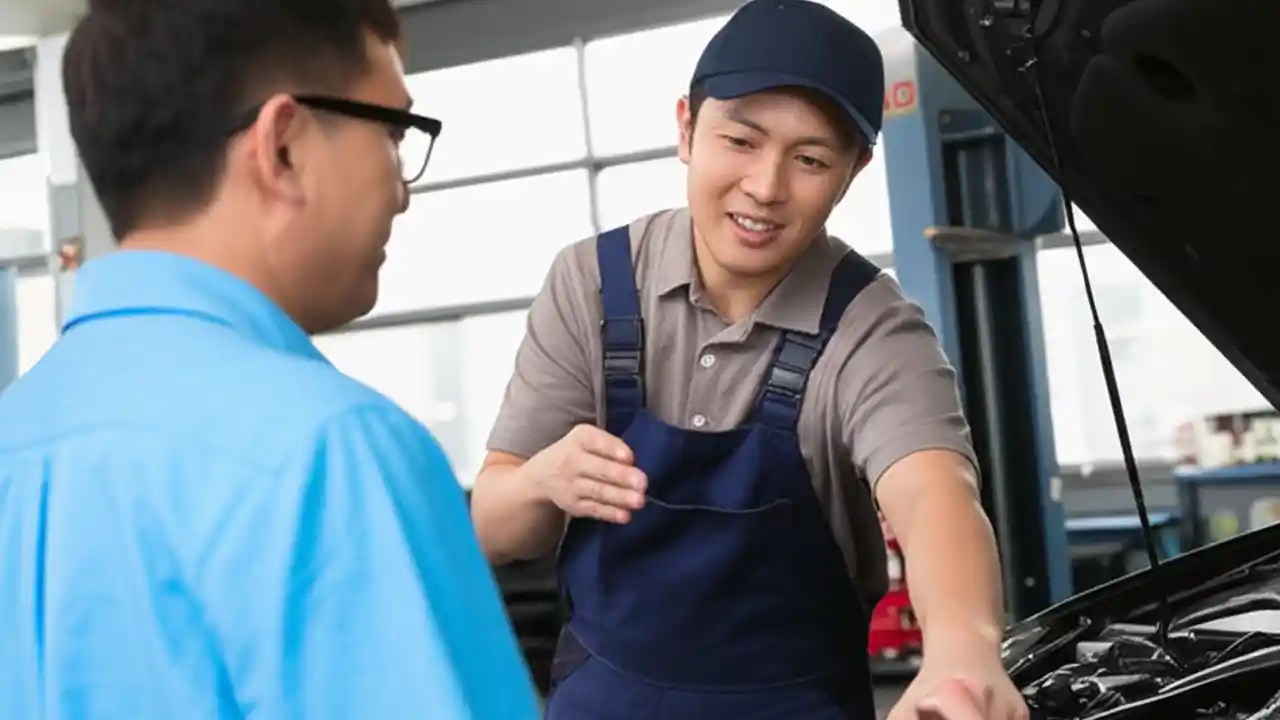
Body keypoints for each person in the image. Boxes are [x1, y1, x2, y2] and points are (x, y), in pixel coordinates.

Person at [470, 2, 1028, 718]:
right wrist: (543, 480)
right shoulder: (590, 284)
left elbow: (935, 496)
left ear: (853, 170)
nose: (765, 187)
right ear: (685, 129)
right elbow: (493, 526)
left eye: (810, 159)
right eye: (740, 140)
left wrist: (962, 651)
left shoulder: (874, 328)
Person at [0, 1, 538, 718]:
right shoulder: (334, 451)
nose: (403, 191)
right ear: (282, 146)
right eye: (393, 132)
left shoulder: (18, 437)